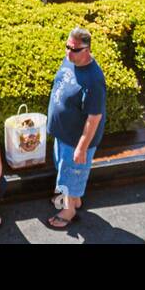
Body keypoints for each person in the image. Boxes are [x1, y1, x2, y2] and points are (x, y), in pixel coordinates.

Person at [46, 27, 106, 230]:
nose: (68, 52)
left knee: (72, 172)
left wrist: (82, 146)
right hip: (63, 133)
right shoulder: (71, 60)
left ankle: (69, 210)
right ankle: (74, 199)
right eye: (67, 47)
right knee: (64, 168)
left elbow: (94, 116)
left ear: (87, 50)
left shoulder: (94, 79)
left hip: (76, 138)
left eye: (74, 49)